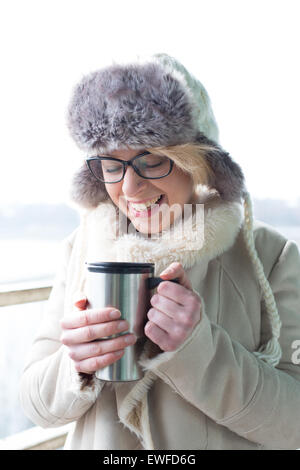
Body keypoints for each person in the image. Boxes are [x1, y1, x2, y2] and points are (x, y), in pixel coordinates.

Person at [19, 53, 300, 450]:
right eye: (111, 165)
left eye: (150, 159)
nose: (130, 190)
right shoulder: (81, 248)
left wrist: (198, 348)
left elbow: (294, 422)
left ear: (198, 161)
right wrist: (75, 366)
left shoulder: (272, 256)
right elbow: (35, 403)